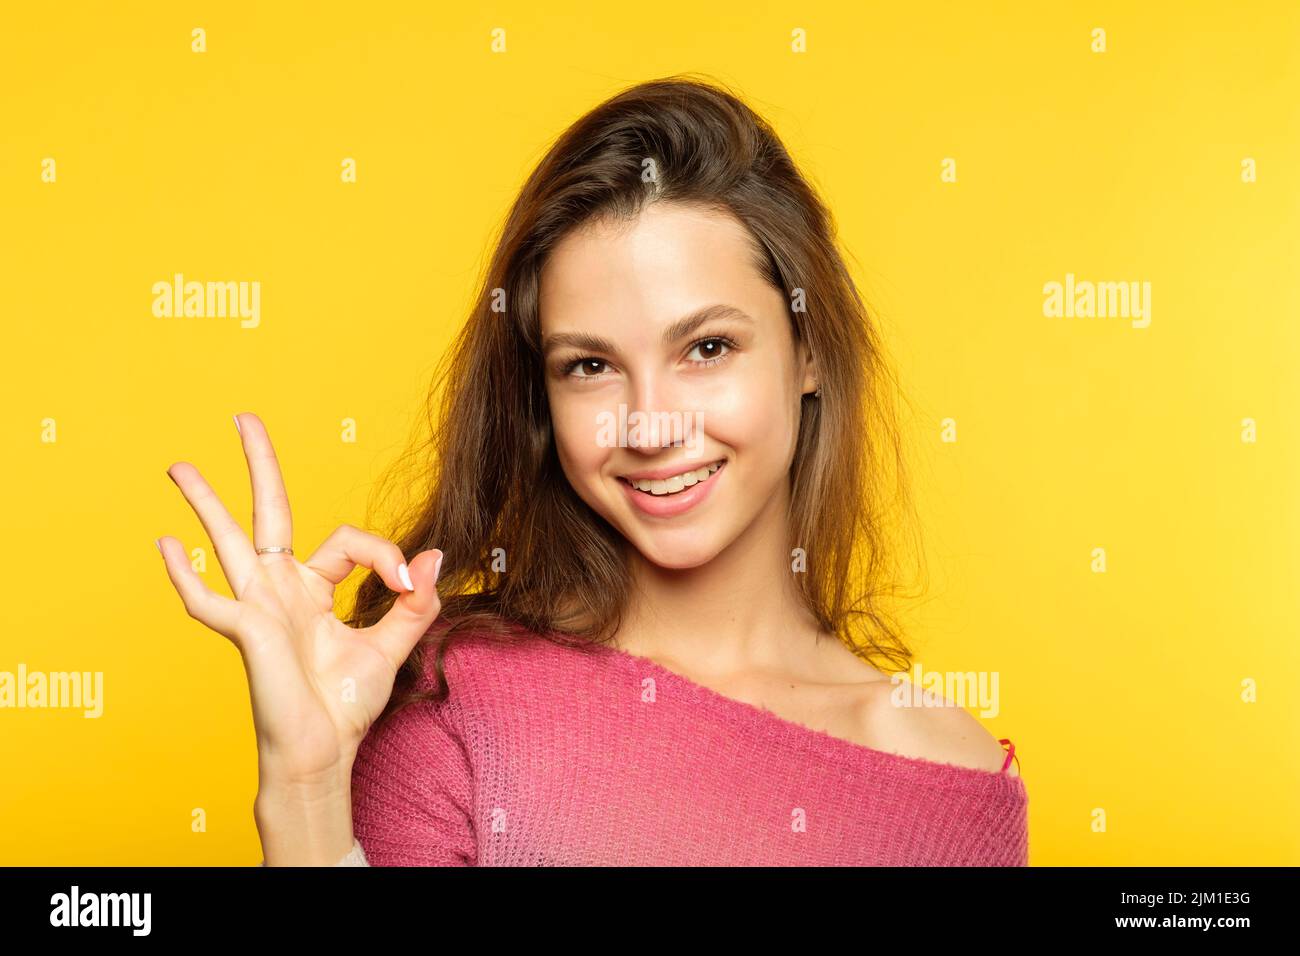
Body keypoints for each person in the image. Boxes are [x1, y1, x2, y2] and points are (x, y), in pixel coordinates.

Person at [157, 74, 1027, 867]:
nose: (650, 424)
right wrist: (305, 791)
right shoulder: (456, 696)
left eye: (708, 347)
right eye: (590, 365)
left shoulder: (951, 784)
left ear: (808, 353)